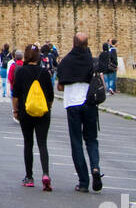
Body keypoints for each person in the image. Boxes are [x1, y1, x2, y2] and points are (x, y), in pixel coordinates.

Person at [57, 32, 103, 193]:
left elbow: (60, 86)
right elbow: (100, 81)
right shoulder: (92, 61)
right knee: (91, 140)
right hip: (90, 103)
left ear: (73, 43)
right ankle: (95, 168)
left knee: (76, 142)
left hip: (72, 104)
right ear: (87, 43)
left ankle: (83, 182)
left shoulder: (66, 61)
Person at [11, 43, 54, 190]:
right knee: (42, 143)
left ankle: (29, 177)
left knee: (28, 143)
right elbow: (51, 95)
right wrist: (48, 107)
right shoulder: (44, 73)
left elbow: (15, 94)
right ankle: (46, 174)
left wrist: (15, 110)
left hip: (26, 112)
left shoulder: (21, 72)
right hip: (43, 112)